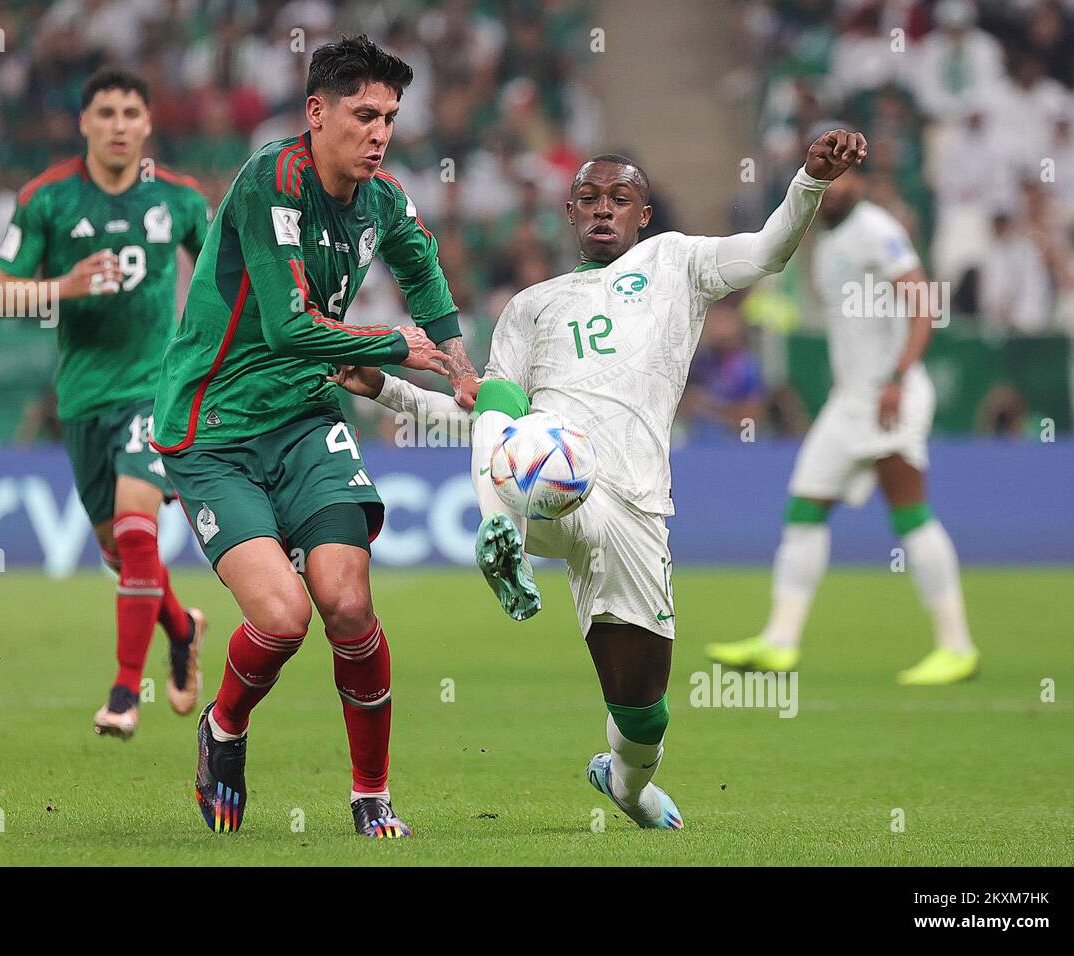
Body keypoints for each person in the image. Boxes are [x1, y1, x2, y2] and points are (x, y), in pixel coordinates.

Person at [333, 130, 868, 829]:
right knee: (503, 403)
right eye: (587, 198)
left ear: (645, 213)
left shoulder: (679, 263)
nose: (603, 210)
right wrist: (391, 390)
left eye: (620, 198)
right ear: (570, 214)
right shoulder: (530, 306)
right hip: (554, 482)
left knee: (644, 717)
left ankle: (625, 783)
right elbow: (491, 419)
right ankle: (499, 527)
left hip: (637, 505)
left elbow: (768, 249)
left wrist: (809, 179)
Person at [150, 36, 476, 838]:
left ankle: (371, 794)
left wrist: (462, 369)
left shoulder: (384, 199)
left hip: (304, 421)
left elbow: (423, 268)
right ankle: (223, 728)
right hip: (214, 428)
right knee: (284, 617)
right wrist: (397, 347)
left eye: (390, 118)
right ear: (316, 111)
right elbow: (290, 325)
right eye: (364, 114)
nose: (379, 133)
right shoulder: (273, 181)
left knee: (348, 603)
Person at [0, 68, 211, 738]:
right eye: (106, 113)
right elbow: (0, 293)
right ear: (84, 122)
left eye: (131, 113)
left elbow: (222, 279)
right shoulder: (47, 200)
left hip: (157, 389)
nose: (118, 124)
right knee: (121, 551)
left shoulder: (178, 200)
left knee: (138, 527)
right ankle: (182, 627)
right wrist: (65, 286)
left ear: (148, 125)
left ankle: (123, 692)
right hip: (84, 401)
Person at [705, 170, 980, 686]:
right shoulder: (827, 238)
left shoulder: (878, 229)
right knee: (804, 508)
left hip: (887, 397)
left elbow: (923, 305)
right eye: (820, 181)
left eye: (837, 180)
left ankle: (956, 646)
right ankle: (780, 641)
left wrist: (898, 377)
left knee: (910, 514)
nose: (828, 191)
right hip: (849, 401)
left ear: (858, 181)